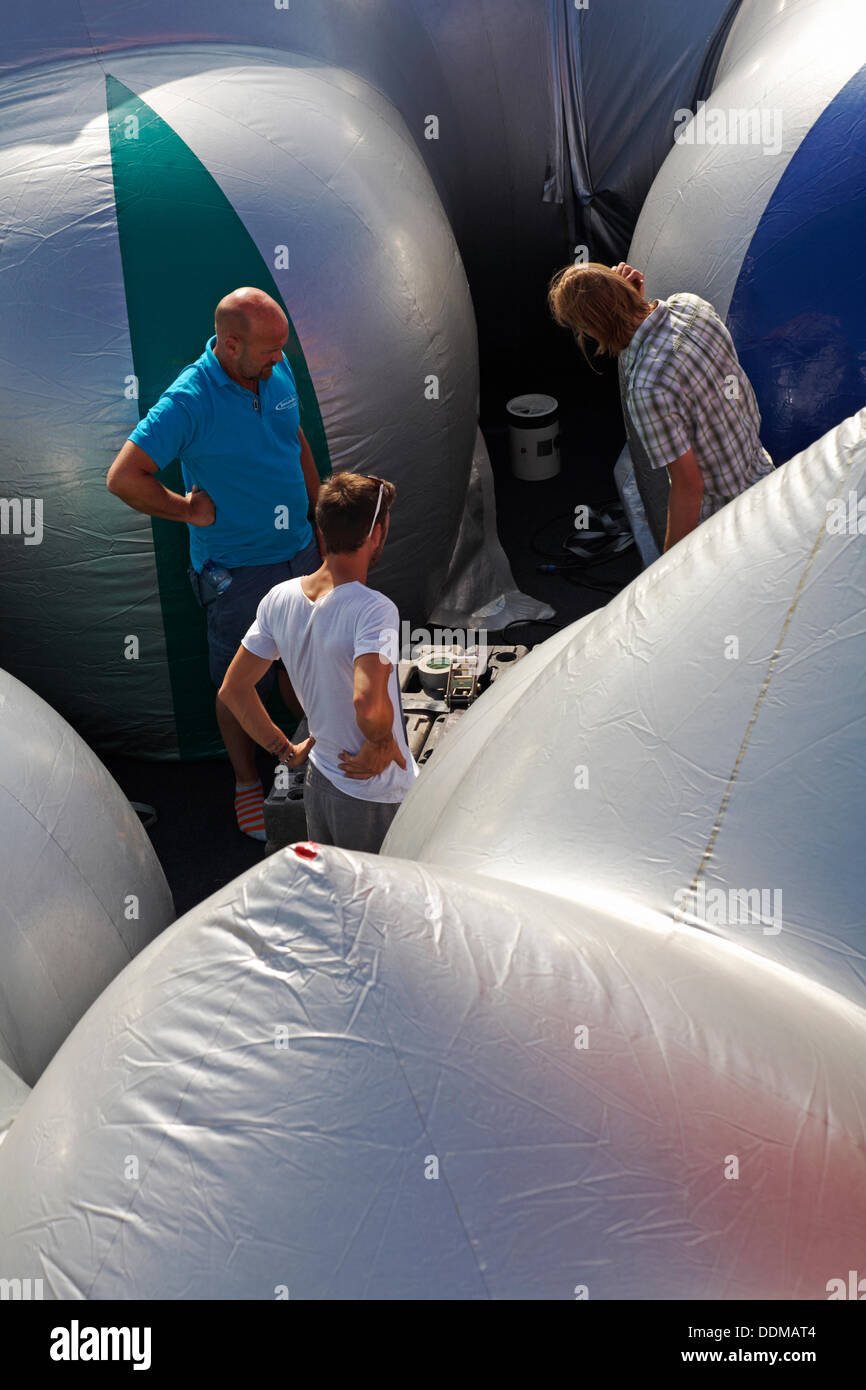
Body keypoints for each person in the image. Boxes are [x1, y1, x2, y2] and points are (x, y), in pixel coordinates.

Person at [106, 287, 322, 840]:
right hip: (237, 571)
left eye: (283, 349)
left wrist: (319, 513)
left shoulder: (273, 370)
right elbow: (124, 477)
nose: (282, 360)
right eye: (271, 350)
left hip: (298, 551)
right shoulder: (189, 399)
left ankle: (313, 758)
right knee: (239, 682)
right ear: (230, 345)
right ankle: (247, 782)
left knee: (303, 661)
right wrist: (186, 511)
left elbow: (293, 435)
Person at [218, 472, 418, 855]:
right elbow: (367, 700)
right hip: (374, 792)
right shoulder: (376, 611)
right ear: (377, 533)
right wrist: (381, 740)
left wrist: (284, 749)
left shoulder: (278, 598)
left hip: (320, 780)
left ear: (321, 532)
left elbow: (234, 689)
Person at [548, 261, 774, 551]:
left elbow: (689, 485)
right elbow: (657, 347)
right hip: (764, 482)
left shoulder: (647, 388)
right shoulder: (691, 305)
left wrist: (667, 572)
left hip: (726, 526)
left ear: (593, 328)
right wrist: (633, 300)